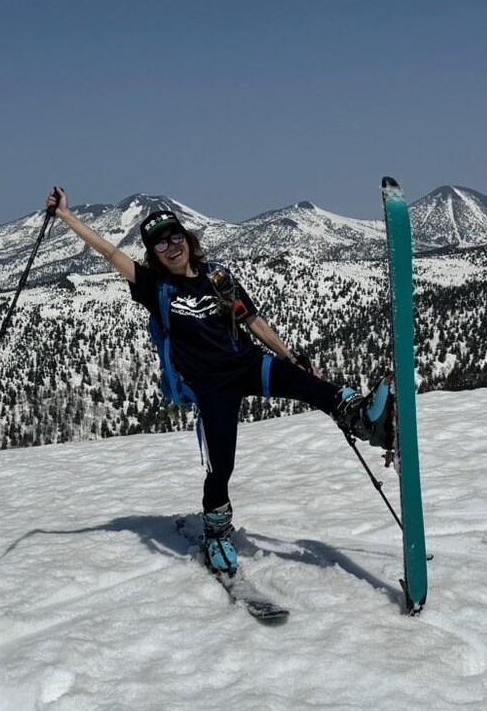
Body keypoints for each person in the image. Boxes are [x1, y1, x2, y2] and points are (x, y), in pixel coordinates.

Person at [46, 187, 390, 573]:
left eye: (175, 237)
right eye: (160, 244)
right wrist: (67, 216)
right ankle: (217, 530)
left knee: (308, 385)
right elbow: (110, 253)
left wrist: (289, 356)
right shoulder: (154, 287)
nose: (171, 247)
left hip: (247, 365)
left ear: (187, 239)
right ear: (153, 253)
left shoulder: (218, 278)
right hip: (210, 387)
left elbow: (252, 320)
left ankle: (361, 417)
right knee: (221, 467)